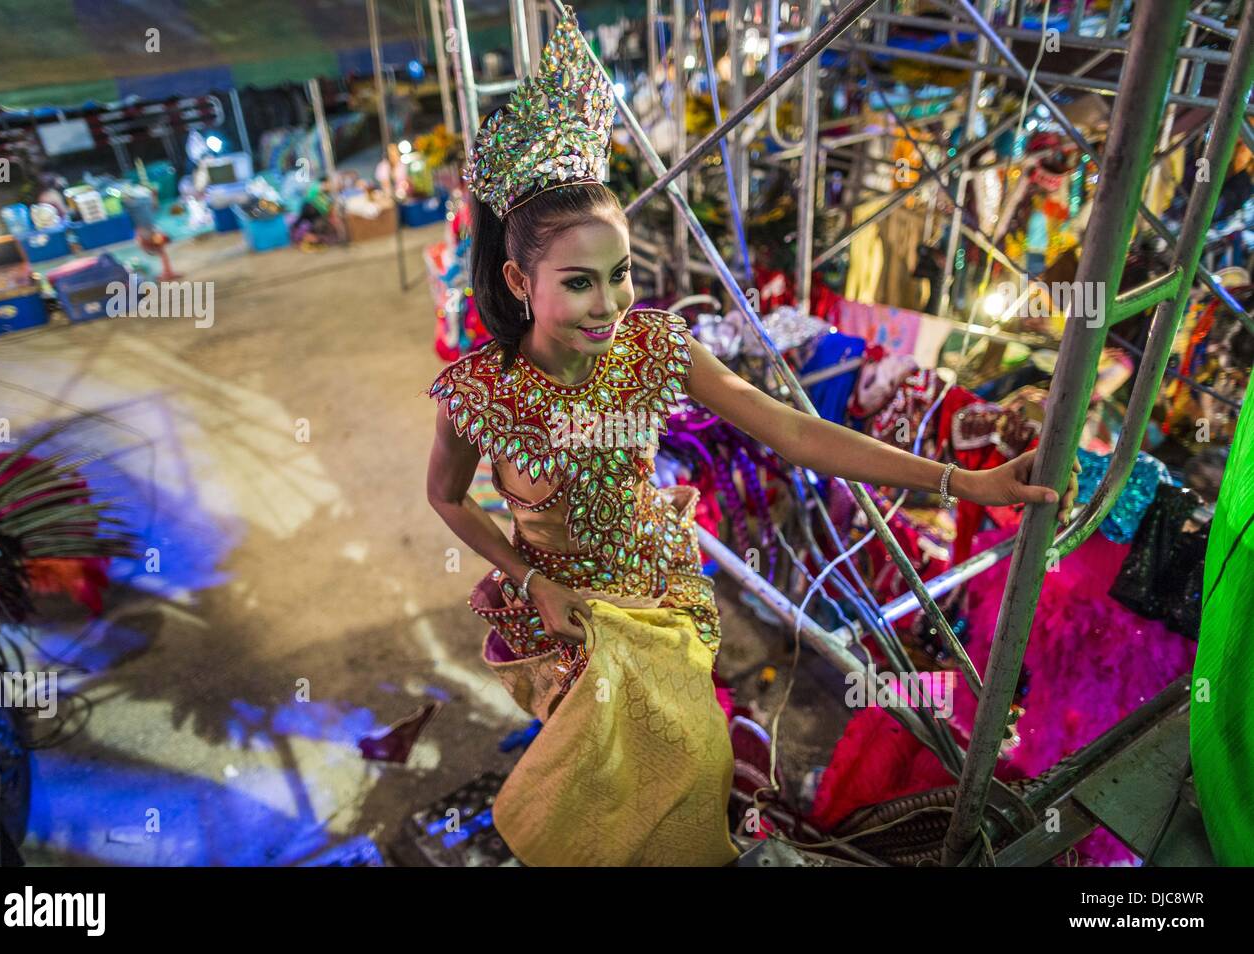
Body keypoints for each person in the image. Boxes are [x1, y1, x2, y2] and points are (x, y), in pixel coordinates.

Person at [424, 8, 1078, 867]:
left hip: (659, 605)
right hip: (564, 633)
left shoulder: (655, 346)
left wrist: (963, 481)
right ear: (519, 280)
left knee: (693, 770)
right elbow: (445, 498)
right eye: (579, 283)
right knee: (600, 803)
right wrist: (532, 579)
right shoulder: (478, 391)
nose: (610, 305)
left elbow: (795, 432)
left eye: (622, 274)